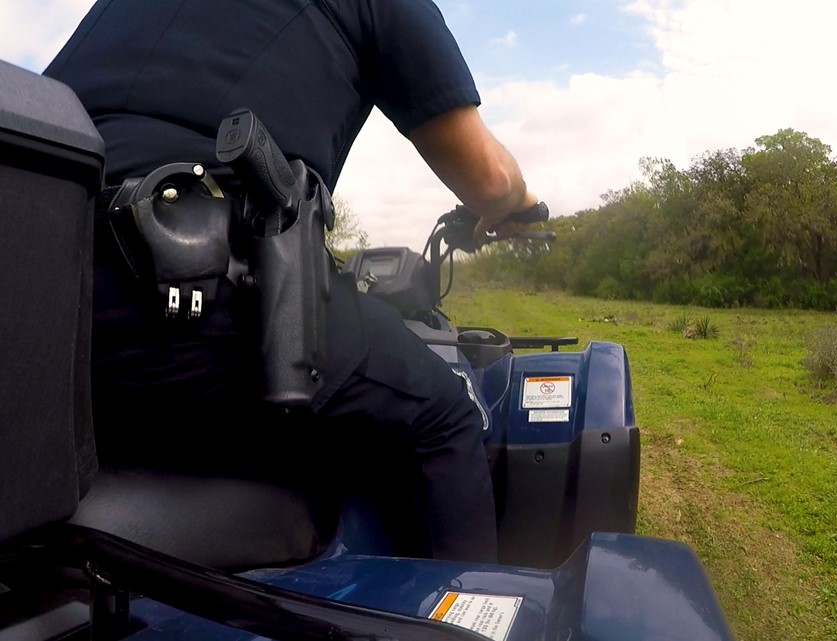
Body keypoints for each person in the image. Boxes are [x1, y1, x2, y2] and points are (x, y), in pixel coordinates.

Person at [44, 0, 536, 563]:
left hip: (40, 298)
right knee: (442, 412)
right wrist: (522, 203)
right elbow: (490, 180)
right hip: (196, 287)